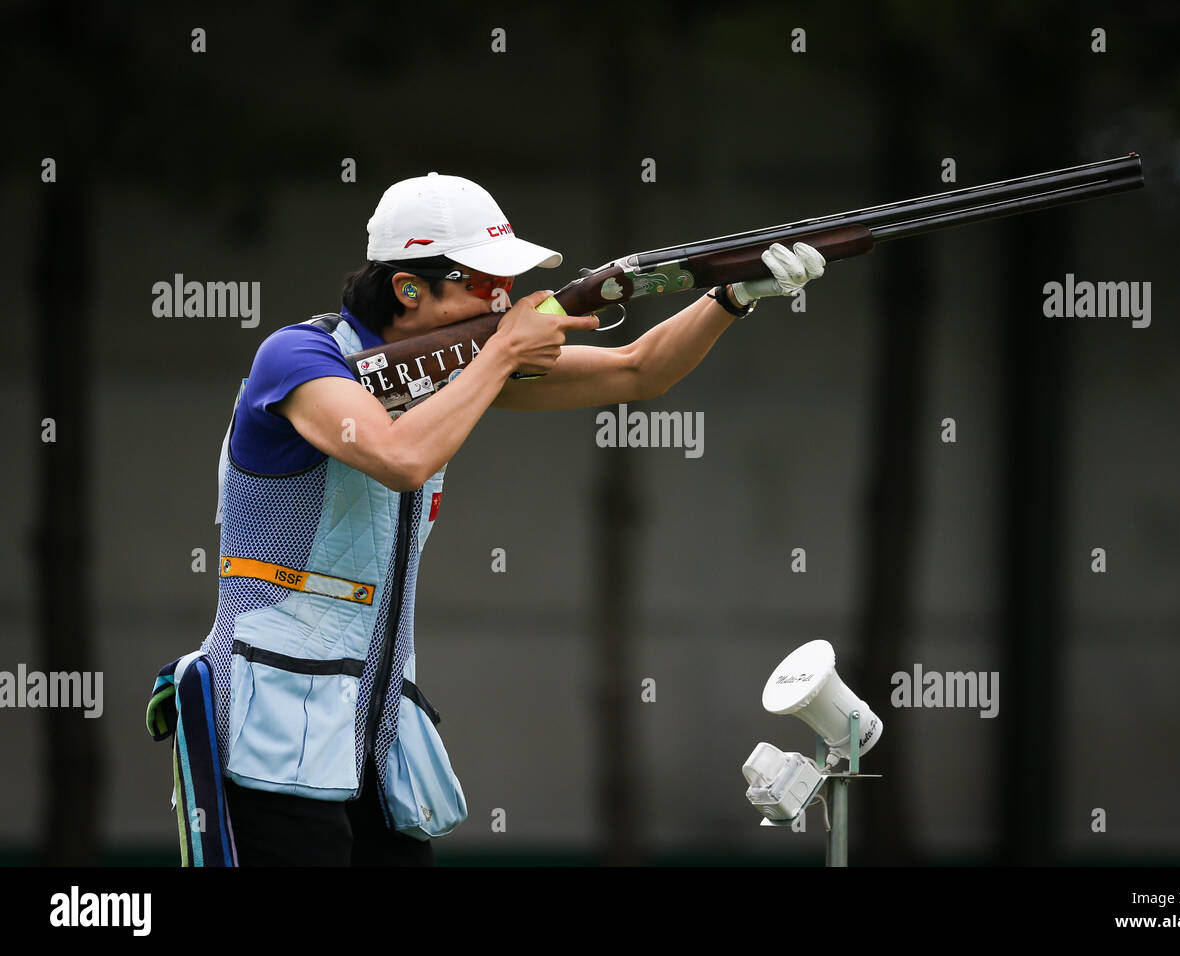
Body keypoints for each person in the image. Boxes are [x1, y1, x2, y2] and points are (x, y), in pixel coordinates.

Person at [147, 172, 828, 866]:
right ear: (410, 289)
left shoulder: (455, 371)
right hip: (271, 729)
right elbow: (398, 455)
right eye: (481, 283)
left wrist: (731, 295)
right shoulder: (297, 358)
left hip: (374, 734)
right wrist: (501, 353)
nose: (503, 300)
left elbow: (637, 371)